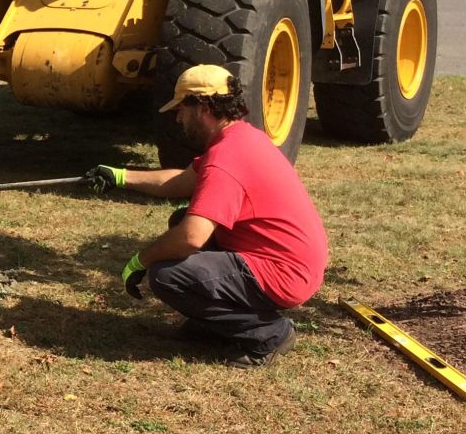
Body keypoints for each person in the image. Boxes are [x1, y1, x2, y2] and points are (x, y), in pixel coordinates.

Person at [82, 64, 327, 367]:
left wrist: (141, 260)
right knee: (181, 219)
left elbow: (191, 238)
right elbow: (180, 182)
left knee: (168, 276)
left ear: (202, 107)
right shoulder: (240, 138)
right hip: (287, 262)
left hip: (283, 273)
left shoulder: (226, 158)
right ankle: (211, 324)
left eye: (182, 108)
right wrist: (120, 177)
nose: (178, 117)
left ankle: (269, 334)